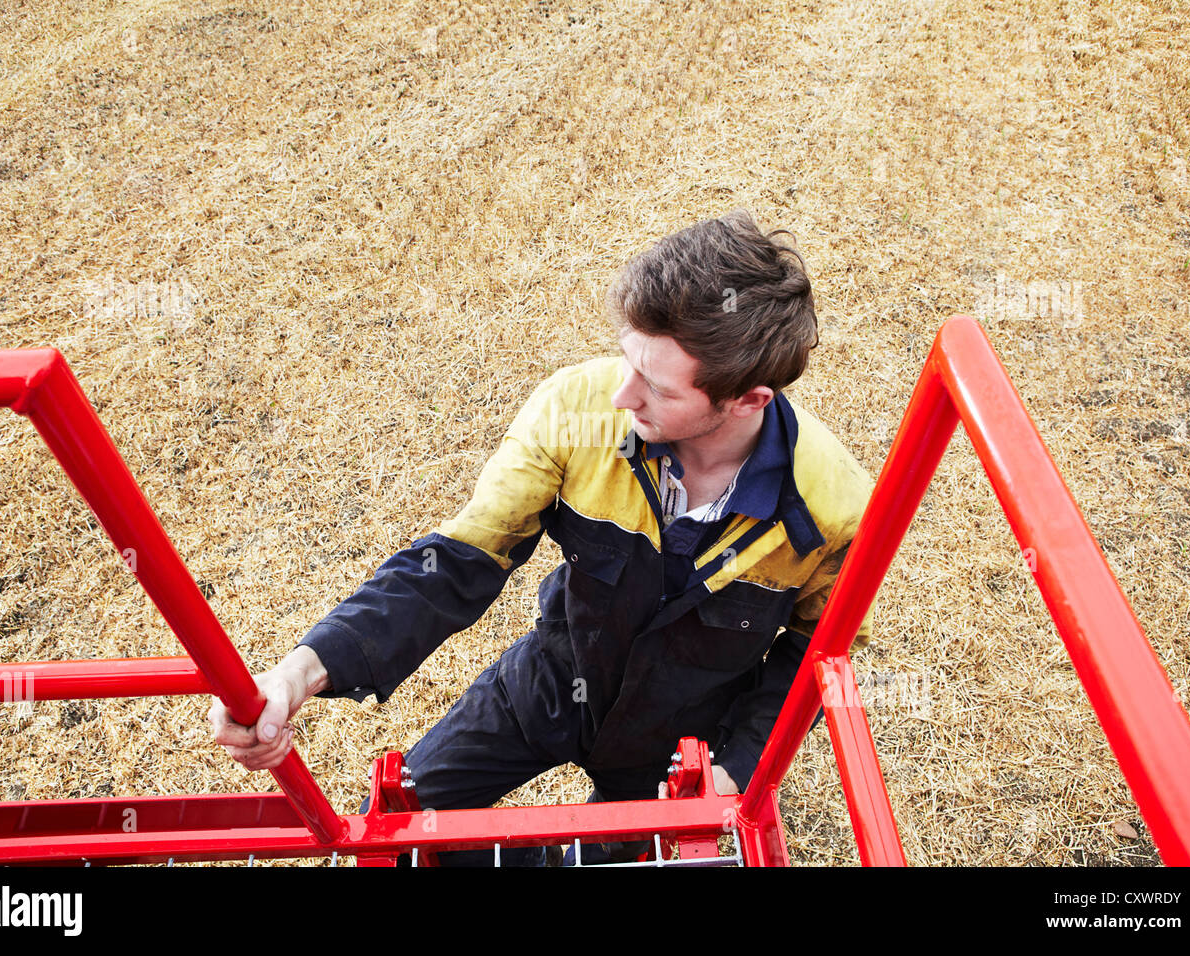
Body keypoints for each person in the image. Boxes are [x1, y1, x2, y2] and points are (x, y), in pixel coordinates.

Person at [208, 208, 877, 865]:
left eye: (657, 387)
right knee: (406, 829)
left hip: (678, 739)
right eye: (627, 361)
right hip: (559, 677)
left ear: (747, 400)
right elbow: (459, 561)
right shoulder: (573, 410)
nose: (621, 397)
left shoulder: (835, 511)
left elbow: (814, 654)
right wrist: (299, 673)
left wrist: (734, 771)